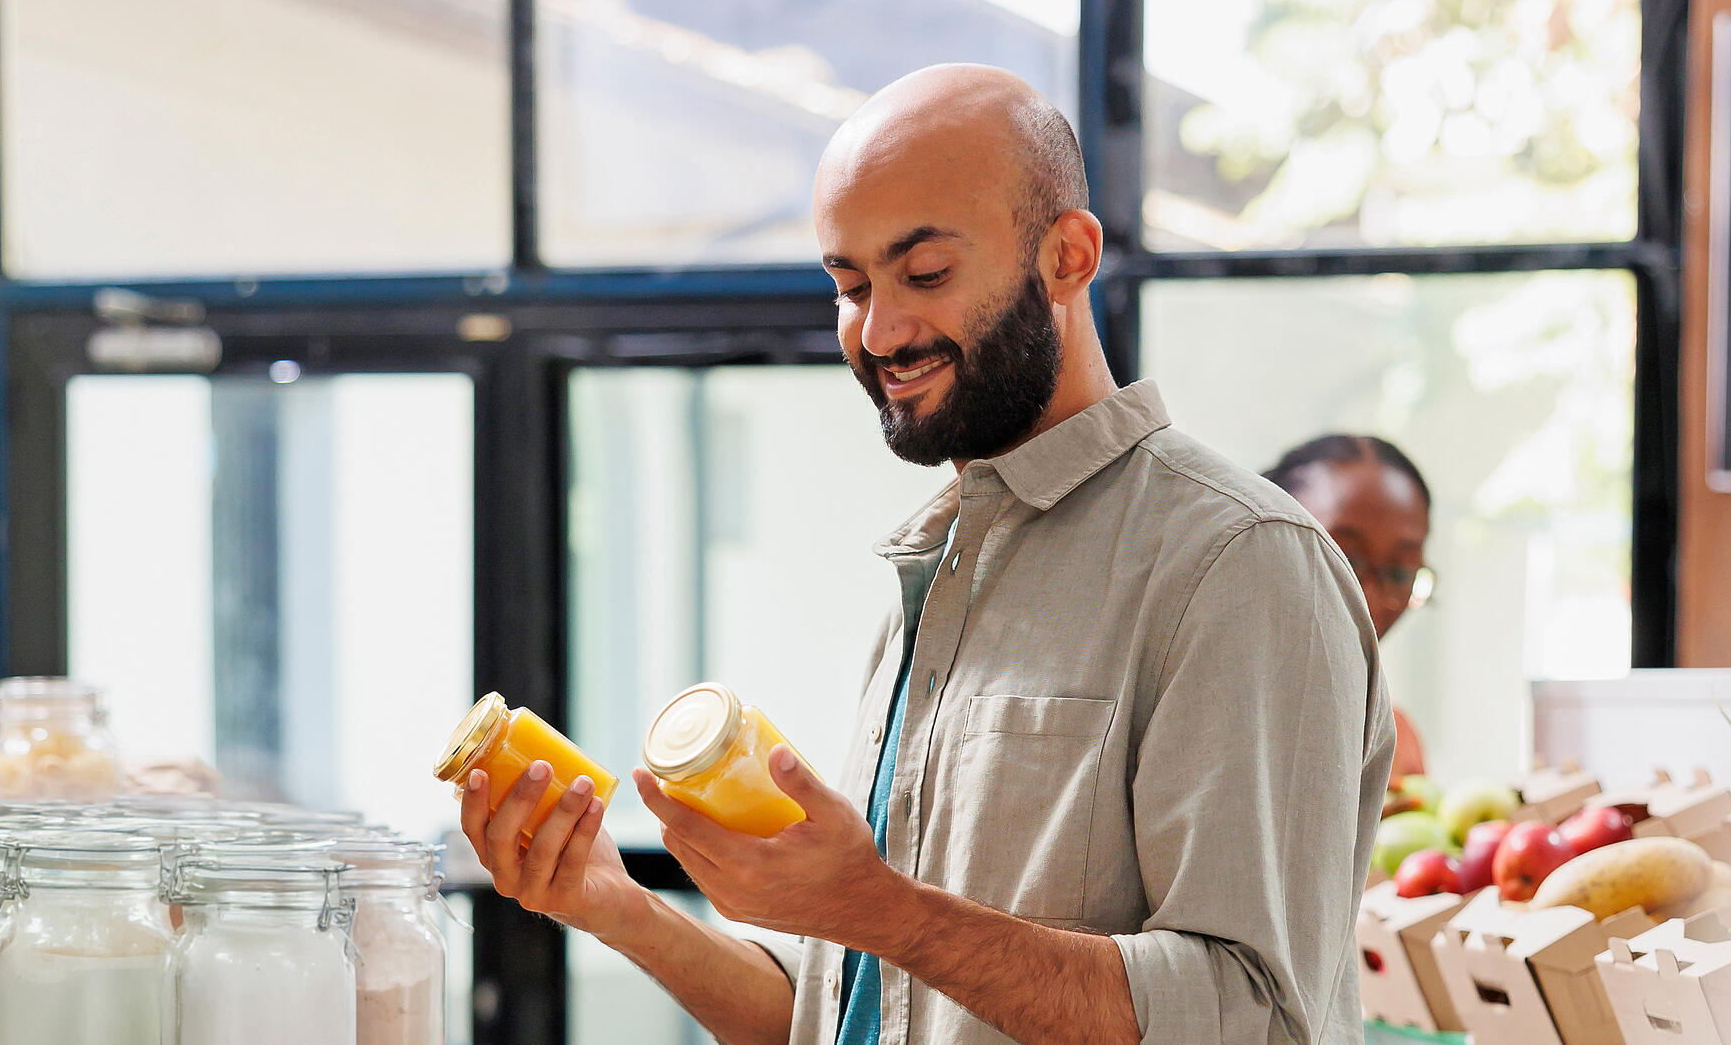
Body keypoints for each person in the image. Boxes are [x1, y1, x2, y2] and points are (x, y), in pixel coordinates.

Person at [458, 64, 1393, 1045]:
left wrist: (875, 907)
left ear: (1067, 256)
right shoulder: (941, 566)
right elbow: (843, 1012)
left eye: (925, 274)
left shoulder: (1238, 563)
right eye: (850, 285)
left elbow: (1251, 1018)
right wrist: (617, 906)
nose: (880, 331)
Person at [1263, 435, 1432, 783]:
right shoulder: (1218, 719)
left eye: (1400, 573)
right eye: (1345, 561)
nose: (1368, 602)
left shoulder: (1398, 744)